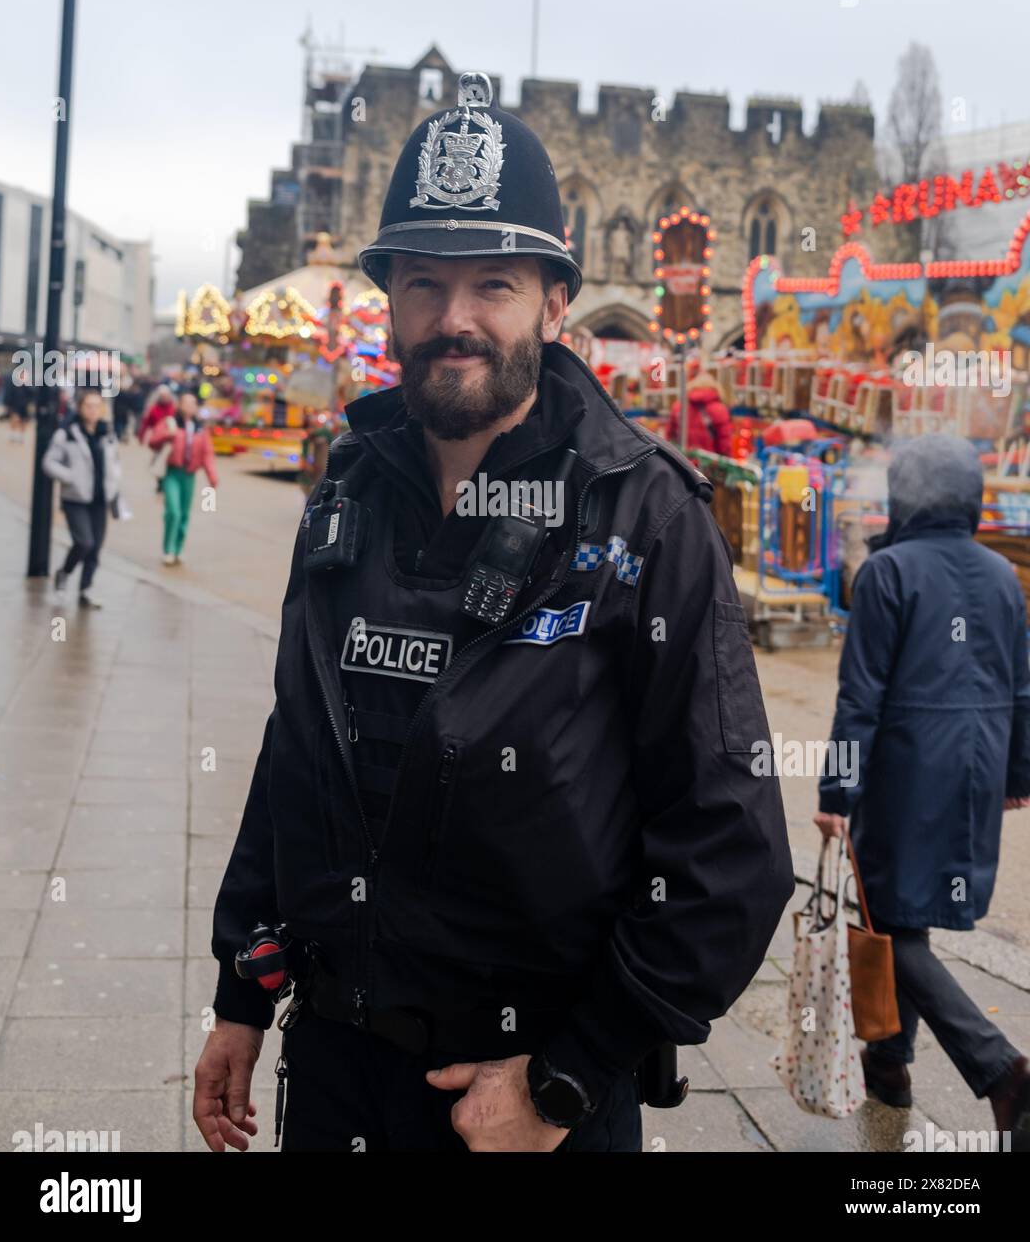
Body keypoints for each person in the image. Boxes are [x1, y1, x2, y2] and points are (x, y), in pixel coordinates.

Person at [196, 70, 793, 1155]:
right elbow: (297, 749)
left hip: (523, 1105)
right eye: (424, 282)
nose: (453, 319)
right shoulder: (347, 490)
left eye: (494, 284)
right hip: (332, 1079)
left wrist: (567, 1078)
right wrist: (242, 987)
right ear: (389, 296)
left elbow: (730, 851)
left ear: (556, 301)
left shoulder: (646, 519)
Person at [815, 434, 1030, 1149]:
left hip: (908, 766)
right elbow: (1022, 685)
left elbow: (860, 697)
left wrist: (837, 792)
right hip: (977, 763)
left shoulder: (888, 571)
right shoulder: (1002, 575)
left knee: (885, 916)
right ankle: (890, 1063)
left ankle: (1000, 1069)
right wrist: (1018, 774)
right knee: (907, 915)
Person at [42, 388, 122, 609]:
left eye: (97, 406)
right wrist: (70, 477)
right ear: (79, 408)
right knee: (84, 542)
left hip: (99, 498)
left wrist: (114, 485)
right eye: (88, 406)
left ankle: (85, 589)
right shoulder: (67, 433)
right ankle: (64, 573)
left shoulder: (108, 433)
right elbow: (49, 462)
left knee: (96, 547)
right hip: (75, 498)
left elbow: (115, 462)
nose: (93, 410)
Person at [148, 390, 218, 565]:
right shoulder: (170, 423)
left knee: (185, 513)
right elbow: (153, 441)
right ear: (179, 405)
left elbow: (207, 454)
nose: (190, 406)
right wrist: (168, 434)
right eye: (186, 403)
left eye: (193, 403)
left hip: (189, 475)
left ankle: (178, 548)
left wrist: (212, 476)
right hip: (172, 473)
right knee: (173, 512)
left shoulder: (200, 429)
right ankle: (168, 549)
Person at [666, 364, 733, 456]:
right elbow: (724, 442)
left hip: (683, 459)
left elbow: (669, 437)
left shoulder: (678, 407)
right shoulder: (719, 409)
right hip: (708, 462)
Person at [3, 364, 35, 443]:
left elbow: (32, 394)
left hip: (25, 405)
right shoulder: (14, 382)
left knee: (24, 421)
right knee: (15, 419)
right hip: (15, 404)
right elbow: (9, 393)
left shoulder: (28, 384)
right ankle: (12, 434)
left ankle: (21, 436)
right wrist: (7, 404)